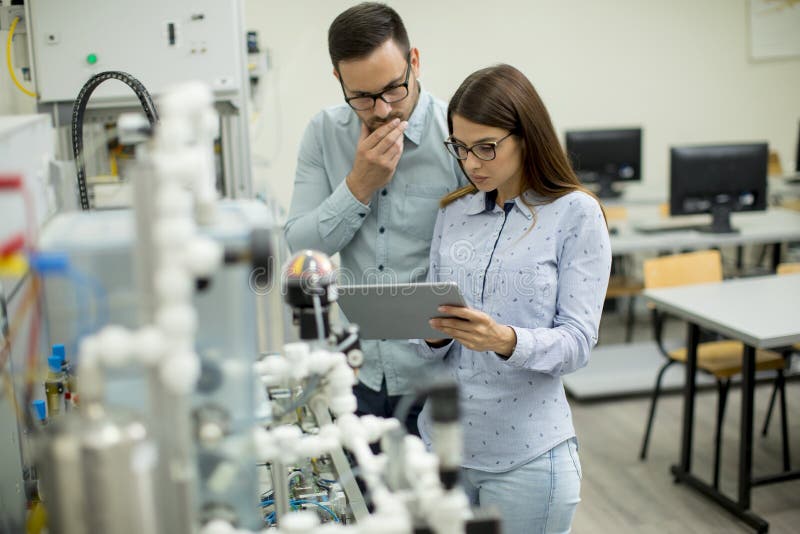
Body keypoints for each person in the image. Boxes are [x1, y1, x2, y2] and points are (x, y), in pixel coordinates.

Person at [417, 64, 611, 533]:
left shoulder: (575, 215)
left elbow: (578, 342)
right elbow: (430, 331)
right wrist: (433, 334)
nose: (472, 163)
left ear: (526, 137)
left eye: (486, 147)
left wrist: (505, 340)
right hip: (440, 449)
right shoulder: (454, 213)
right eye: (460, 148)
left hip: (527, 455)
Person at [284, 2, 465, 435]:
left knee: (437, 500)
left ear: (414, 62)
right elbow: (302, 246)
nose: (382, 110)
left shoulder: (458, 133)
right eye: (362, 97)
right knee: (363, 499)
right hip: (359, 371)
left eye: (393, 89)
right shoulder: (323, 133)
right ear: (339, 81)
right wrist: (359, 183)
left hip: (440, 371)